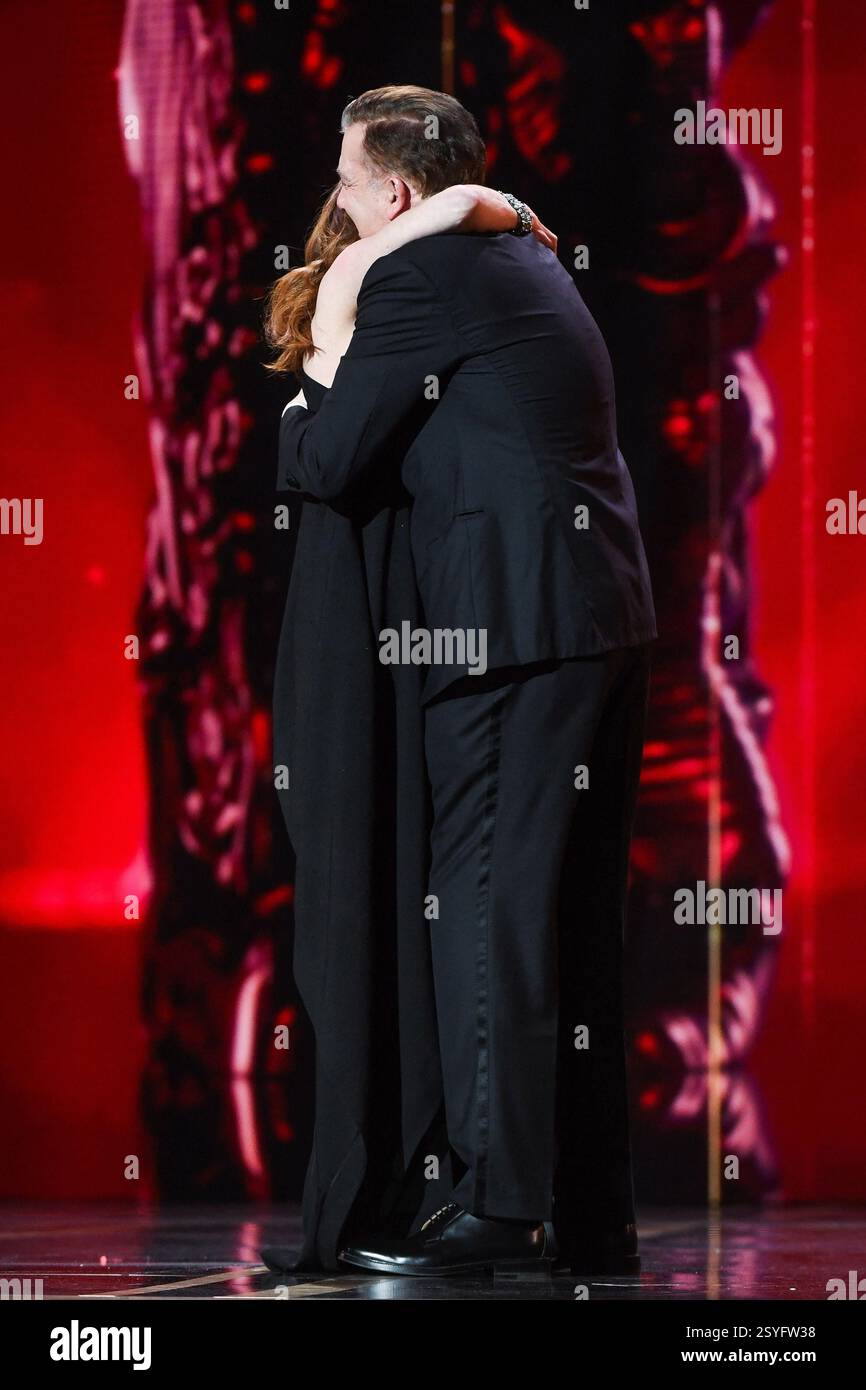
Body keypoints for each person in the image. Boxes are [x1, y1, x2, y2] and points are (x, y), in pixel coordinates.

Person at [264, 84, 656, 1278]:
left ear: (391, 192)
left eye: (343, 182)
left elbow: (326, 458)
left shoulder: (414, 279)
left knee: (484, 914)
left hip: (511, 629)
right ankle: (589, 1216)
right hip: (594, 617)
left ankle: (493, 1206)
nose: (331, 202)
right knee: (568, 925)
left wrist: (326, 327)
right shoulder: (523, 256)